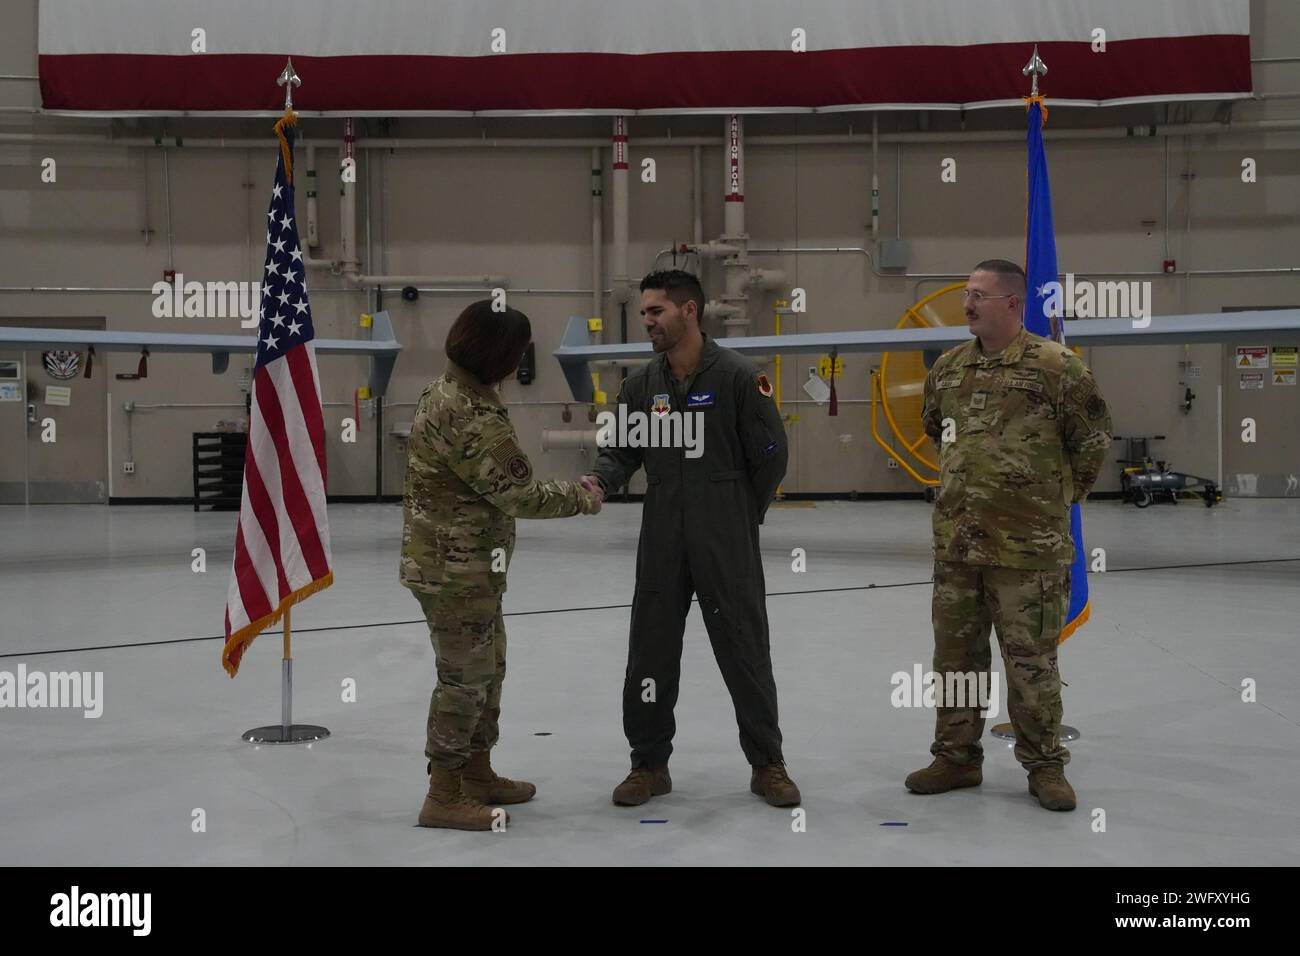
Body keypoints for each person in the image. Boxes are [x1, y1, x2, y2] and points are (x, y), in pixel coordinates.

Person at [585, 269, 800, 808]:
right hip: (662, 528)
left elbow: (771, 454)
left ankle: (768, 764)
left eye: (656, 311)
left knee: (745, 646)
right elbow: (621, 450)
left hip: (724, 527)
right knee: (650, 650)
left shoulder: (738, 377)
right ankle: (648, 765)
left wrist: (741, 509)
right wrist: (599, 480)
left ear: (689, 311)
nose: (648, 322)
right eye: (644, 313)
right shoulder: (640, 385)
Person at [907, 258, 1112, 811]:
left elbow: (1091, 443)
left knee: (1030, 663)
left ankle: (1045, 764)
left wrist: (1048, 502)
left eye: (980, 295)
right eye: (966, 293)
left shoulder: (1058, 368)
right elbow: (937, 432)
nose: (967, 303)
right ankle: (956, 758)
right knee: (956, 660)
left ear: (1013, 304)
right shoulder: (947, 369)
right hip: (957, 545)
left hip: (1029, 551)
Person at [401, 299, 601, 831]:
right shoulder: (469, 413)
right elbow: (520, 495)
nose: (517, 365)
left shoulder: (450, 392)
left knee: (488, 670)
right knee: (464, 681)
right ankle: (442, 794)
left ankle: (477, 773)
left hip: (465, 569)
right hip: (455, 573)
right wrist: (582, 497)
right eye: (516, 354)